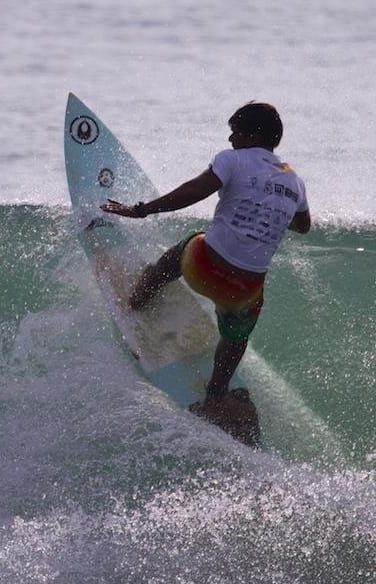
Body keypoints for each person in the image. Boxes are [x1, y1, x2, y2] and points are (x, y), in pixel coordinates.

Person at [101, 102, 310, 429]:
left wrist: (142, 210)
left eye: (235, 131)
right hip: (243, 290)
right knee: (236, 334)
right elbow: (303, 225)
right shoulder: (294, 182)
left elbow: (194, 191)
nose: (230, 138)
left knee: (180, 252)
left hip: (205, 267)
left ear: (252, 135)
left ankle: (139, 298)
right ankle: (216, 393)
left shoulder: (233, 160)